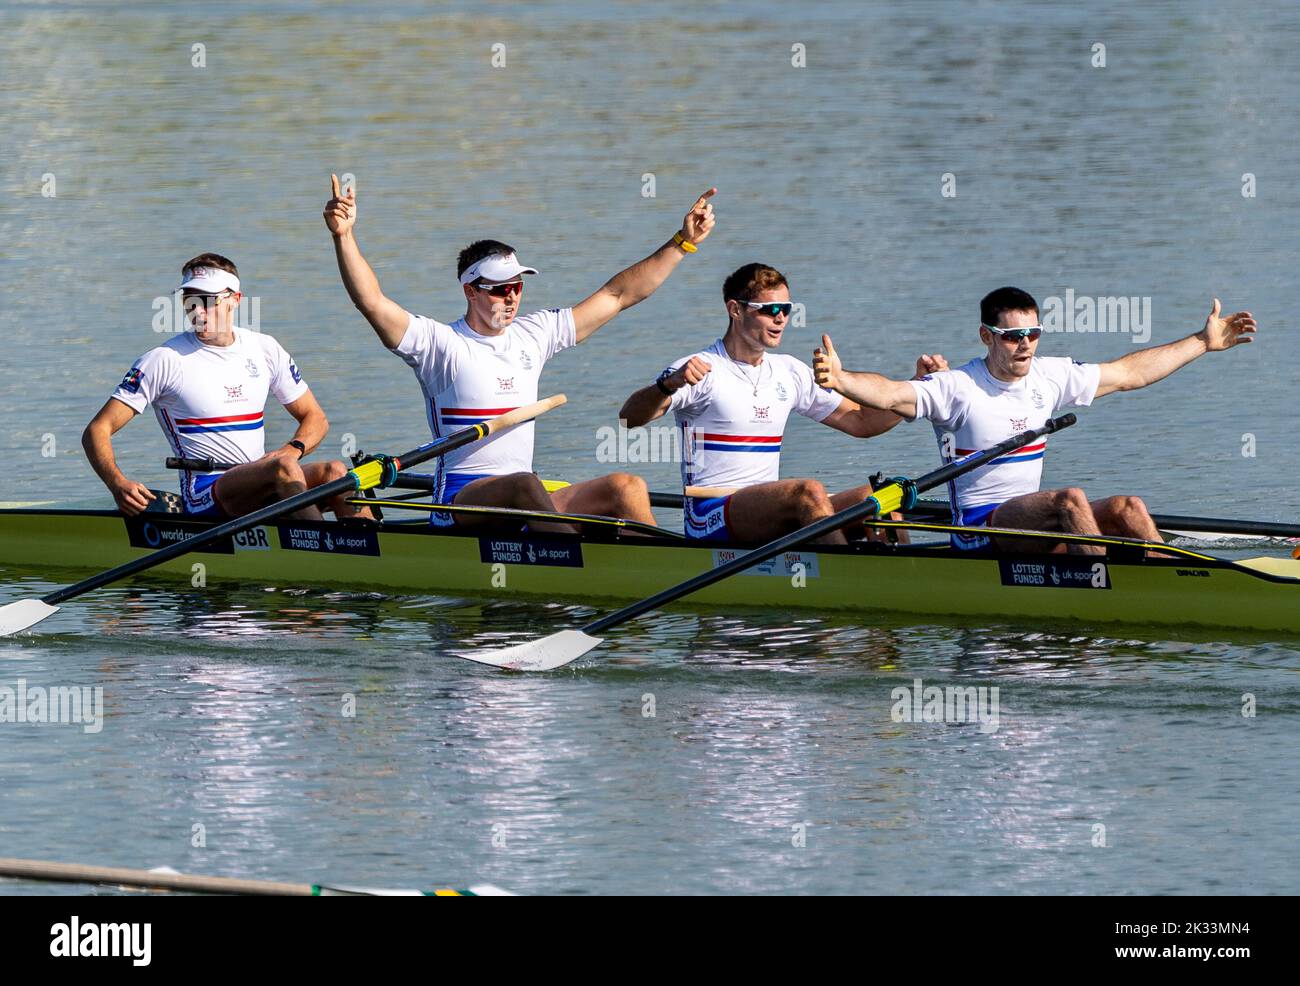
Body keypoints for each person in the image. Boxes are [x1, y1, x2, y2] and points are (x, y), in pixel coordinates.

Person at [324, 176, 717, 533]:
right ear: (470, 291)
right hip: (461, 503)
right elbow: (372, 302)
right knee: (525, 485)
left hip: (522, 500)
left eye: (516, 286)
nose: (511, 296)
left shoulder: (534, 334)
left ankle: (653, 570)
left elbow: (617, 296)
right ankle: (575, 570)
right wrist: (344, 236)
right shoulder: (439, 345)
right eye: (498, 288)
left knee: (626, 487)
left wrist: (681, 244)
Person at [813, 286, 1257, 552]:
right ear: (987, 336)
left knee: (1129, 508)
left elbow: (1130, 373)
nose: (1025, 345)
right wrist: (841, 379)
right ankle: (1101, 589)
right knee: (1069, 501)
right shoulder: (957, 387)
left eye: (1032, 334)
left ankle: (1169, 583)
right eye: (1011, 337)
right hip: (976, 532)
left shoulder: (1049, 375)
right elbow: (889, 393)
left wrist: (1202, 341)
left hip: (1027, 521)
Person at [619, 263, 946, 544]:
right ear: (735, 310)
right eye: (769, 310)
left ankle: (895, 573)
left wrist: (916, 390)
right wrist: (667, 385)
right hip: (711, 515)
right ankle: (835, 580)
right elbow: (629, 419)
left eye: (786, 310)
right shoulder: (699, 368)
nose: (781, 319)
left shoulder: (789, 371)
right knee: (809, 492)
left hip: (769, 511)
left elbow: (862, 422)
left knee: (877, 500)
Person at [82, 254, 369, 522]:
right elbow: (97, 430)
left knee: (337, 472)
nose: (197, 310)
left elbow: (315, 418)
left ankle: (370, 545)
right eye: (189, 300)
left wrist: (292, 450)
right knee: (283, 469)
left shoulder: (265, 349)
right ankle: (323, 553)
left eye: (208, 300)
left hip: (265, 479)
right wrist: (117, 484)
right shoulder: (164, 360)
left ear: (235, 300)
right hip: (206, 492)